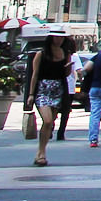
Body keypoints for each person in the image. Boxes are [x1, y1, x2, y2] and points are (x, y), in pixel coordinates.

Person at [25, 34, 73, 166]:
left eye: (62, 38)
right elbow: (34, 75)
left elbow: (66, 74)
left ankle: (42, 152)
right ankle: (40, 152)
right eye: (57, 37)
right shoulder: (42, 54)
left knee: (50, 123)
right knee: (46, 120)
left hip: (58, 89)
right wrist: (30, 94)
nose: (59, 40)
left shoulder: (65, 53)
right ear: (51, 38)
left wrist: (69, 66)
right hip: (43, 90)